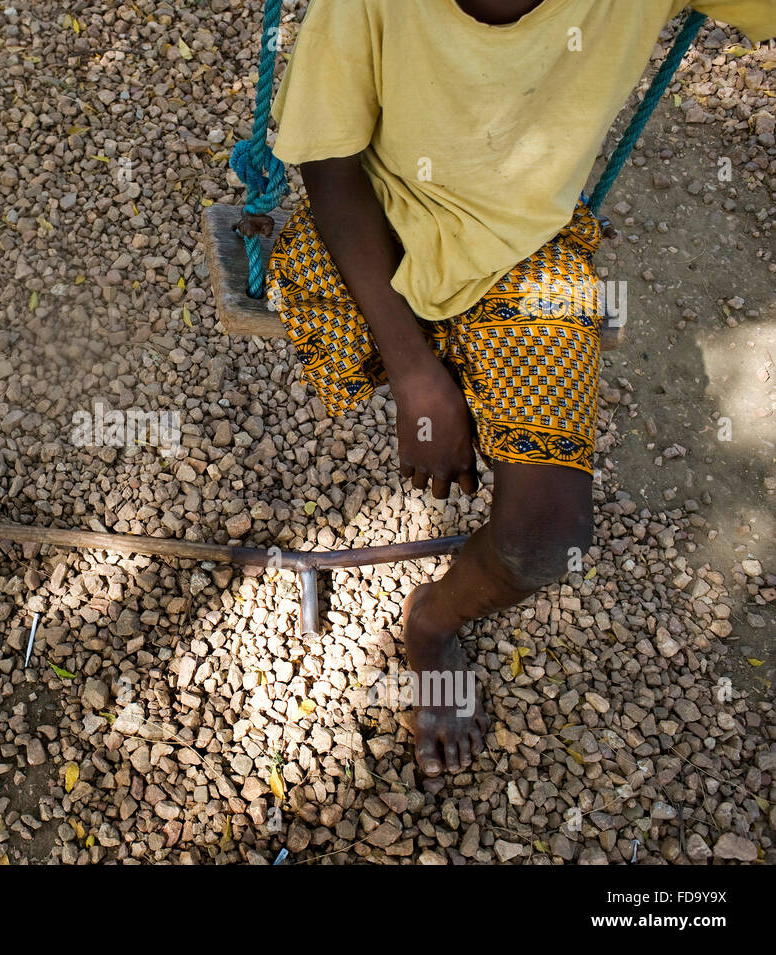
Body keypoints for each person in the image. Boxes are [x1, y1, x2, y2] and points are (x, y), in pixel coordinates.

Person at [267, 0, 776, 778]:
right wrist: (415, 374)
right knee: (361, 334)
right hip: (378, 224)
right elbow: (331, 169)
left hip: (525, 253)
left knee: (548, 543)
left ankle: (433, 619)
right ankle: (435, 366)